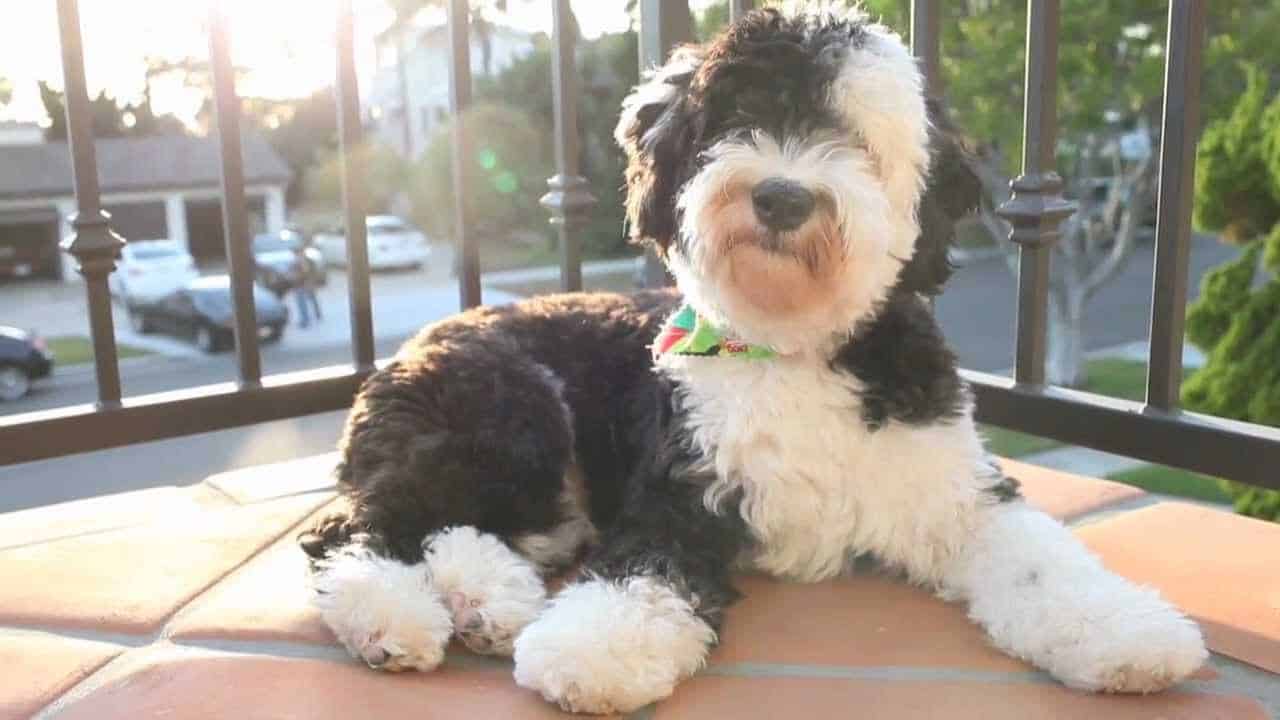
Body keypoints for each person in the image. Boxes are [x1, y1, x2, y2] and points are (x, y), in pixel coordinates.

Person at [293, 241, 322, 329]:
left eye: (299, 253)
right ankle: (306, 319)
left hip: (306, 284)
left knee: (310, 299)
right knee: (303, 302)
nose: (298, 255)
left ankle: (314, 315)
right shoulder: (296, 262)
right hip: (300, 285)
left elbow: (311, 273)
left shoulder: (307, 261)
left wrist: (312, 283)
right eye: (297, 253)